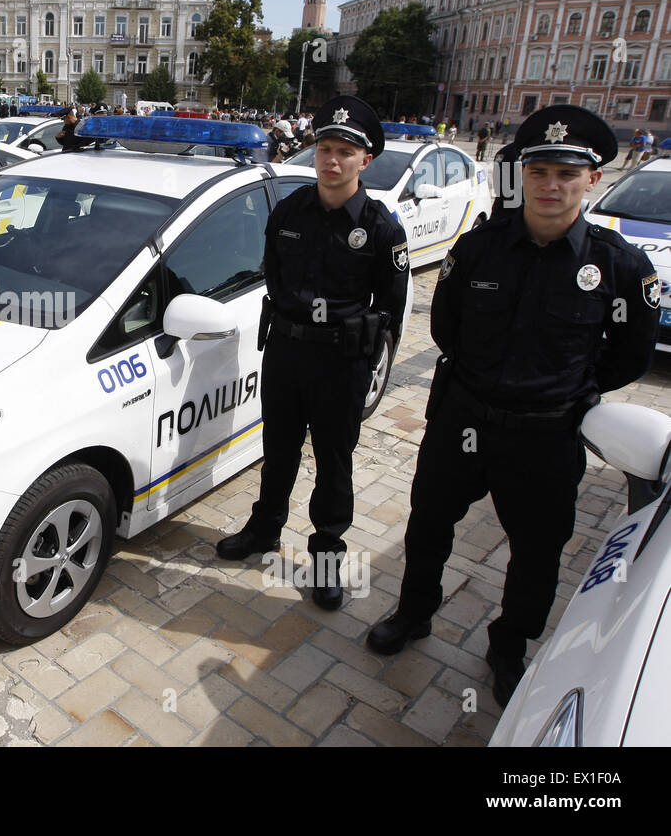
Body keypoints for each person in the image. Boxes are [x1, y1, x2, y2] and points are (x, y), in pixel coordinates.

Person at [367, 104, 659, 707]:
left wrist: (563, 389)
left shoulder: (618, 265)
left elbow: (630, 356)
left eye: (567, 175)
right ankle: (414, 612)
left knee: (536, 553)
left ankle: (508, 647)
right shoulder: (479, 249)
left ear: (593, 180)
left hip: (545, 438)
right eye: (541, 171)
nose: (552, 185)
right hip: (464, 421)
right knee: (427, 528)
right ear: (523, 175)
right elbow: (445, 324)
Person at [216, 95, 409, 610]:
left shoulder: (381, 227)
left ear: (365, 161)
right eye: (325, 148)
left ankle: (325, 560)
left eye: (346, 151)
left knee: (333, 463)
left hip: (340, 363)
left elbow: (389, 309)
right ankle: (263, 531)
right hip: (286, 352)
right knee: (277, 450)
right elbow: (274, 276)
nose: (332, 160)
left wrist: (361, 362)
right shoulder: (288, 211)